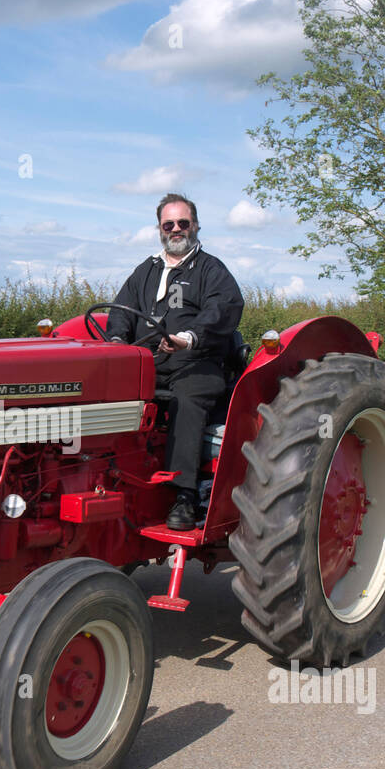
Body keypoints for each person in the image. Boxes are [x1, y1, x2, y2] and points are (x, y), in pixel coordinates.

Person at [107, 193, 243, 531]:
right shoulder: (147, 270)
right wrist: (117, 343)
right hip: (150, 364)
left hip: (196, 363)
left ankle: (185, 495)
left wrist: (187, 338)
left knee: (188, 396)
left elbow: (222, 310)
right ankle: (111, 482)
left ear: (195, 225)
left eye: (183, 223)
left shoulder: (211, 270)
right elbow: (121, 311)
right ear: (160, 229)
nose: (177, 229)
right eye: (169, 224)